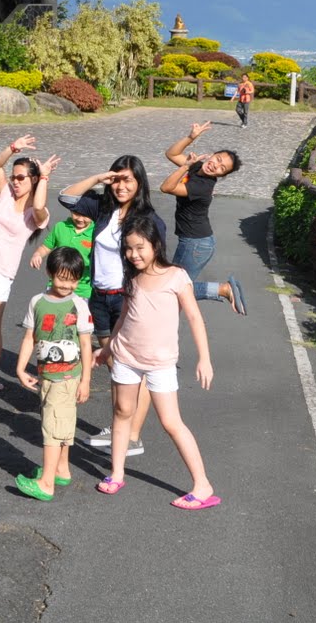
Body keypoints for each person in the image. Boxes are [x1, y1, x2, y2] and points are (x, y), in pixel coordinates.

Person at [93, 215, 218, 510]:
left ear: (155, 245)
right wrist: (108, 348)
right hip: (126, 356)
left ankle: (202, 485)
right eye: (128, 249)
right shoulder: (133, 278)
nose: (133, 255)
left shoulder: (176, 276)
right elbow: (125, 316)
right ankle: (117, 473)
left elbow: (194, 317)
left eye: (140, 248)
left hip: (160, 362)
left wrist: (205, 358)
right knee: (123, 411)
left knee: (171, 422)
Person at [57, 154, 168, 457]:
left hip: (129, 298)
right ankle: (121, 423)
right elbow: (66, 196)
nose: (120, 185)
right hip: (100, 296)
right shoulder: (103, 207)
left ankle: (132, 435)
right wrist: (97, 179)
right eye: (117, 179)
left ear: (139, 182)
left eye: (127, 179)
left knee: (134, 366)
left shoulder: (148, 219)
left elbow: (157, 261)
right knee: (115, 365)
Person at [0, 136, 57, 391]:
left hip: (1, 274)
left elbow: (39, 203)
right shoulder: (5, 193)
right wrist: (12, 148)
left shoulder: (37, 214)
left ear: (33, 181)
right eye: (14, 177)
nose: (15, 182)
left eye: (21, 178)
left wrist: (45, 176)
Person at [13, 248, 94, 502]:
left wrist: (86, 380)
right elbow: (30, 337)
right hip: (46, 374)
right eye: (62, 278)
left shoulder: (79, 305)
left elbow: (85, 344)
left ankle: (46, 483)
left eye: (73, 280)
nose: (67, 285)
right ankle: (61, 469)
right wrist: (19, 367)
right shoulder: (37, 302)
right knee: (62, 422)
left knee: (52, 426)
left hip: (68, 378)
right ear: (50, 273)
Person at [161, 121, 247, 315]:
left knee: (176, 290)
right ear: (212, 155)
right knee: (174, 288)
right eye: (217, 159)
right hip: (196, 242)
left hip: (195, 244)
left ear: (222, 174)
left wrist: (185, 167)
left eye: (221, 168)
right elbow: (171, 154)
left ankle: (223, 289)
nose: (215, 165)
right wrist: (191, 137)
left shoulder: (203, 186)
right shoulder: (198, 166)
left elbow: (167, 188)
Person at [28, 192, 98, 300]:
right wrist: (37, 254)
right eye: (76, 213)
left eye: (85, 215)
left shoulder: (96, 232)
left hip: (83, 290)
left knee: (80, 316)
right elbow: (46, 247)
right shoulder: (61, 227)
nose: (80, 218)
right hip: (55, 285)